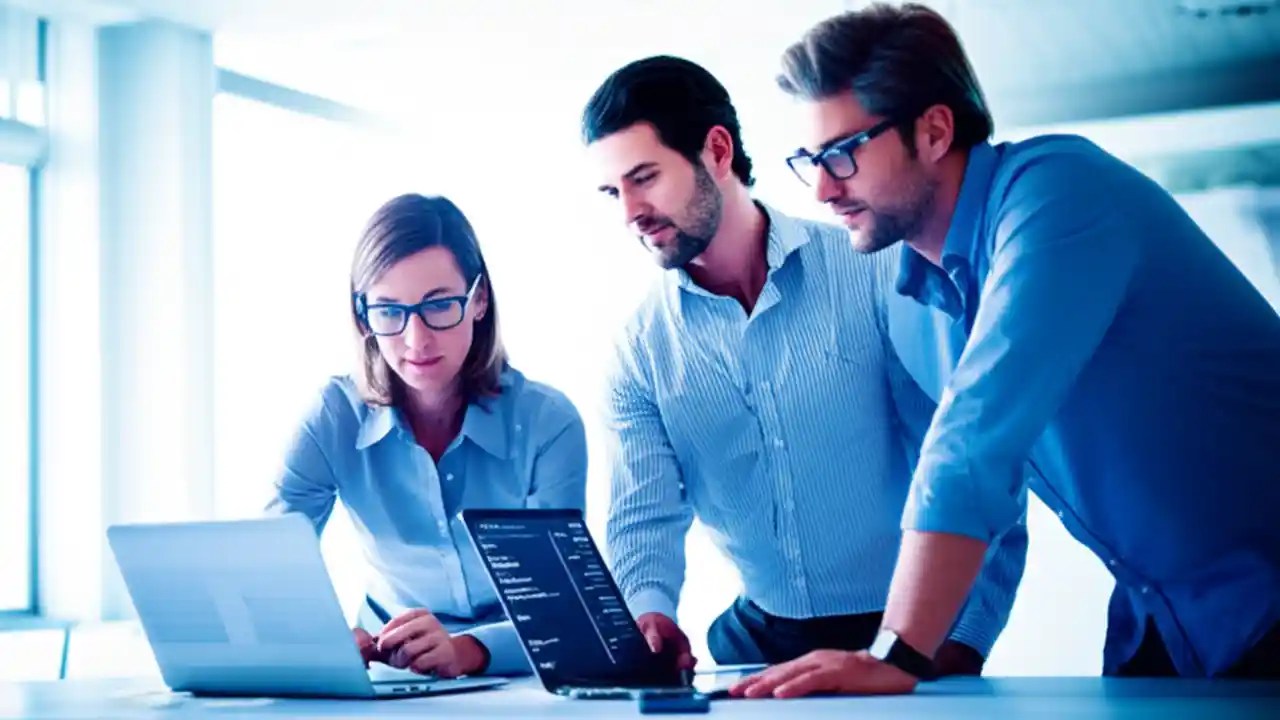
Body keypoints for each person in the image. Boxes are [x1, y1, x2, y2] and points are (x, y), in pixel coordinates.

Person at [732, 3, 1280, 699]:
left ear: (933, 131)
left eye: (843, 153)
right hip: (1166, 621)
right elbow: (989, 491)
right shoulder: (912, 298)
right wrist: (946, 650)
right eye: (809, 159)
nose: (821, 188)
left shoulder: (1058, 190)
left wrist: (898, 653)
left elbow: (973, 441)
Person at [580, 55, 1026, 677]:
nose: (629, 211)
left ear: (716, 150)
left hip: (909, 635)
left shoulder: (876, 271)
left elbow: (972, 463)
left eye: (644, 177)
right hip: (756, 645)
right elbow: (644, 515)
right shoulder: (638, 352)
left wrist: (956, 647)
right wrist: (647, 612)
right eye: (612, 192)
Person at [267, 194, 587, 677]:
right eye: (389, 311)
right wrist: (320, 635)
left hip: (519, 674)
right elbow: (270, 570)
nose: (416, 340)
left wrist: (468, 650)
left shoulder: (547, 422)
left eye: (439, 305)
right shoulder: (332, 417)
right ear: (362, 315)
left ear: (479, 300)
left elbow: (560, 609)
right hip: (386, 670)